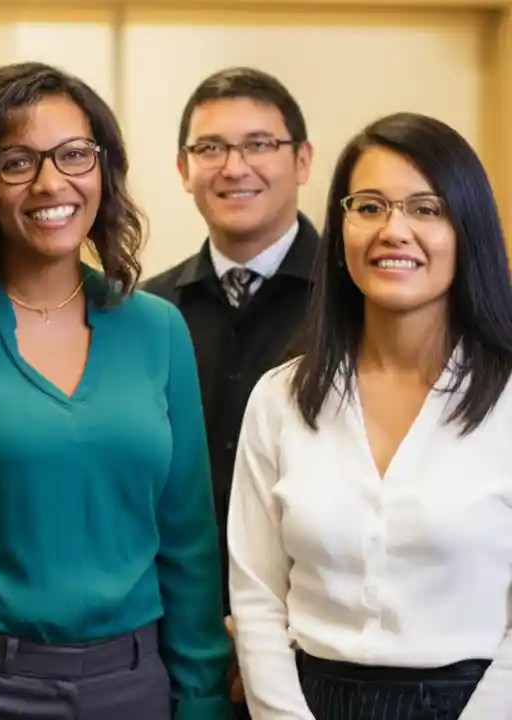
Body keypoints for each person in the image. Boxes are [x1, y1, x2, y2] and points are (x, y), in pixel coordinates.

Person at [0, 61, 230, 719]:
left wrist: (201, 698)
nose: (51, 182)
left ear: (104, 169)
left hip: (134, 687)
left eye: (74, 155)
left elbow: (188, 540)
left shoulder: (157, 329)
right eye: (17, 162)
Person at [228, 112, 512, 719]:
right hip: (309, 699)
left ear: (468, 232)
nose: (395, 230)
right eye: (370, 206)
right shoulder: (280, 397)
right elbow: (255, 598)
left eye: (426, 209)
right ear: (341, 228)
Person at [142, 66, 318, 715]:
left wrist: (265, 642)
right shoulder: (143, 314)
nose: (233, 166)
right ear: (183, 168)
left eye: (258, 144)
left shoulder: (356, 307)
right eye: (210, 148)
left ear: (301, 159)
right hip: (163, 656)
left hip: (316, 660)